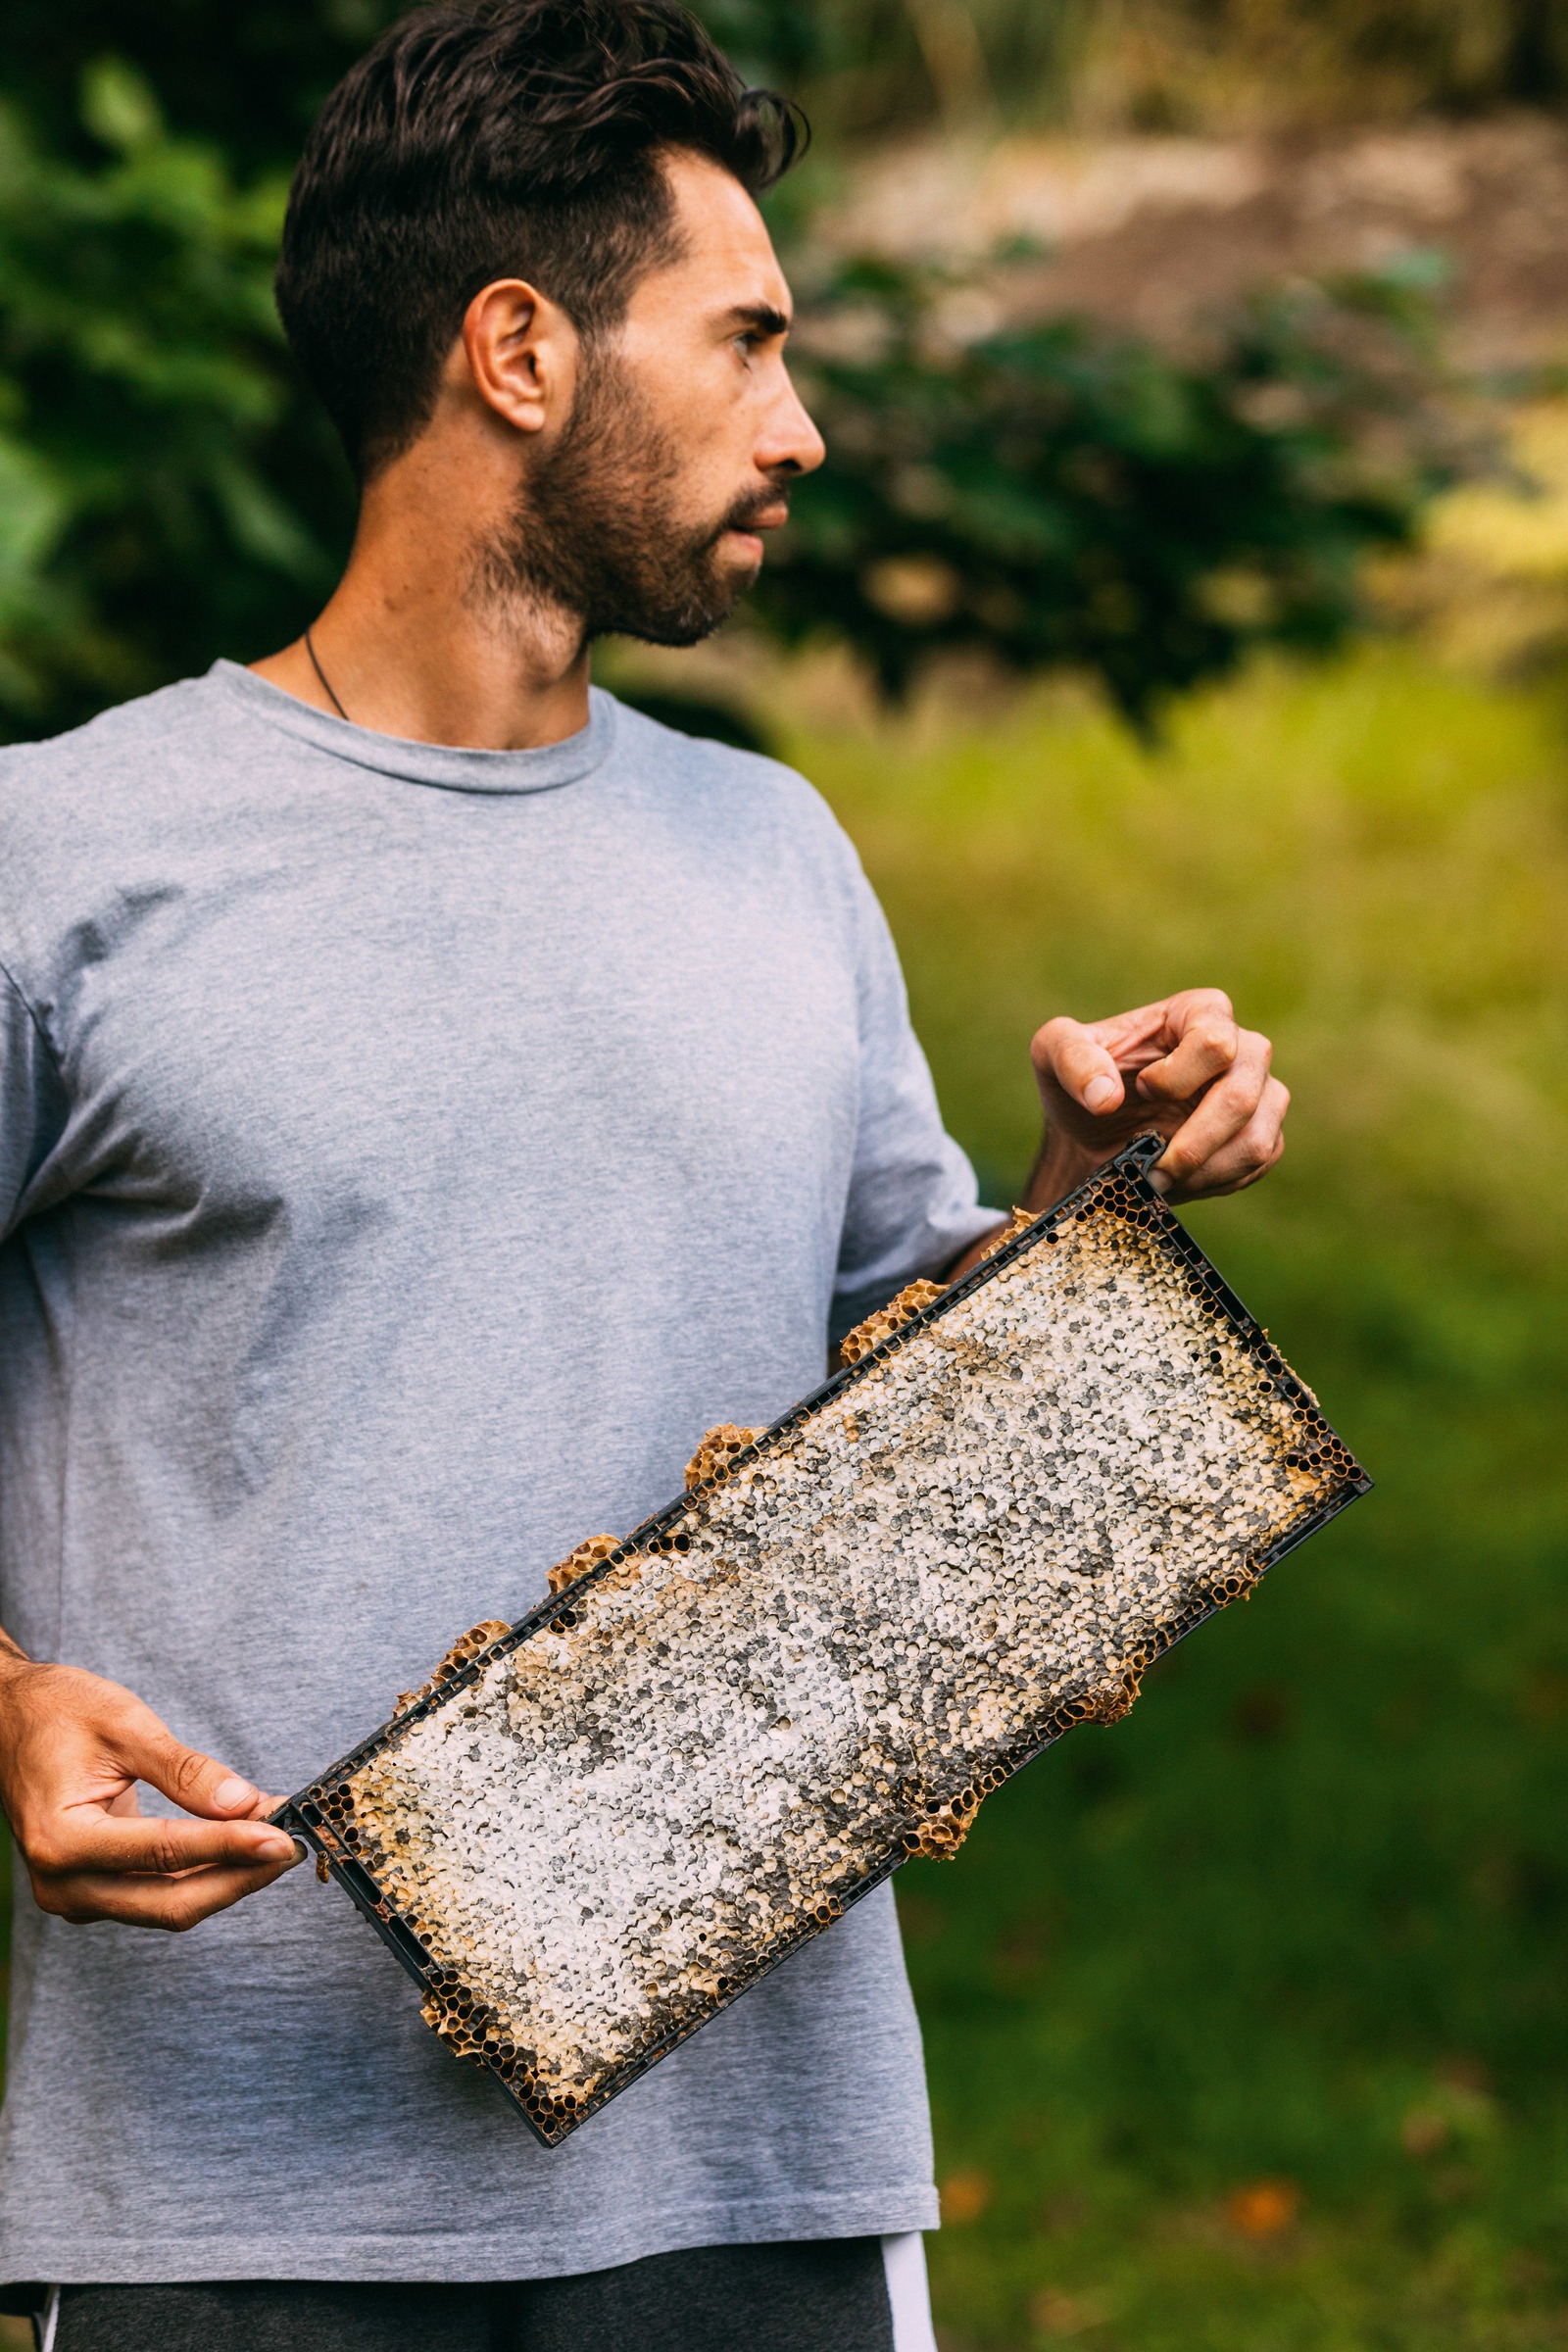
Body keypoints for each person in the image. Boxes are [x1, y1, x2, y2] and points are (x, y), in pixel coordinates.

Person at [0, 4, 1290, 2346]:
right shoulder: (65, 860)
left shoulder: (771, 849)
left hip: (755, 2179)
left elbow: (921, 1417)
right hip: (236, 2202)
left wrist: (1089, 1209)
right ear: (516, 349)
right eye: (746, 339)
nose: (796, 423)